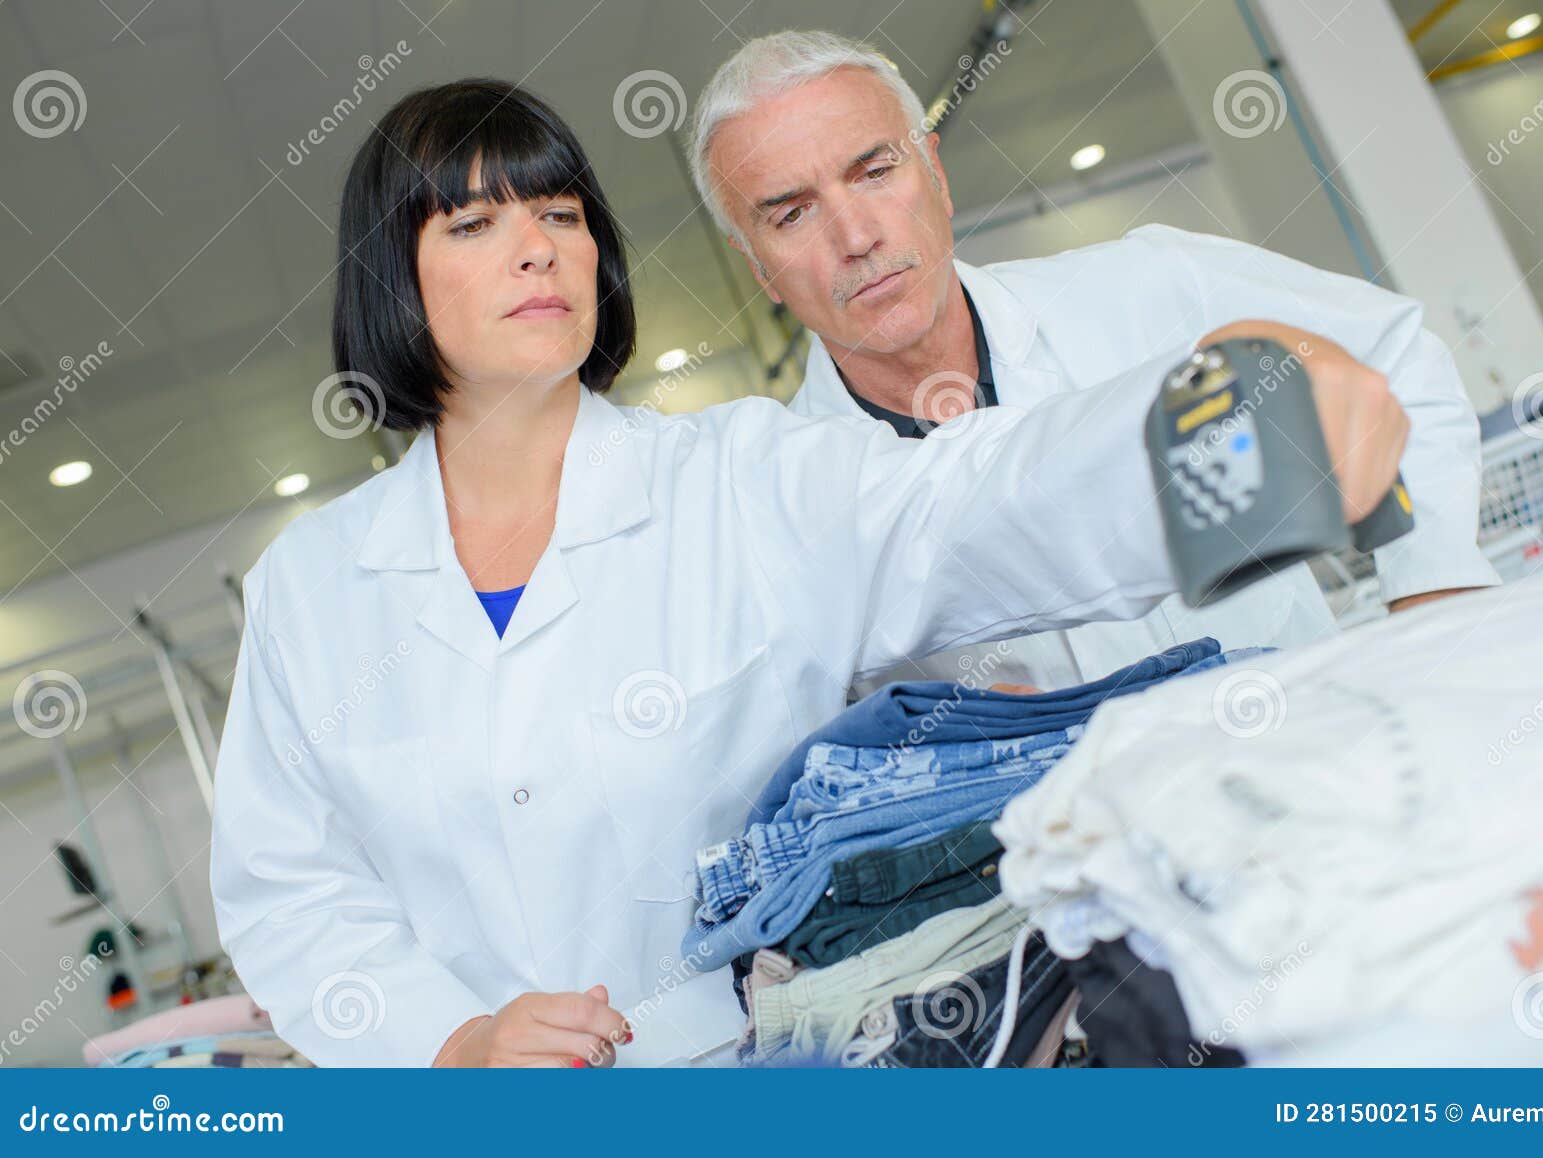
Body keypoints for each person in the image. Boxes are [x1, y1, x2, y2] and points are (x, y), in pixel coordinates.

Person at [209, 78, 1410, 1068]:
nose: (536, 247)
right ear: (392, 279)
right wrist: (450, 1045)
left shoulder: (741, 477)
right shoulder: (314, 586)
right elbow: (291, 888)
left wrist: (1211, 437)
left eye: (562, 214)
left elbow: (963, 508)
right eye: (473, 225)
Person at [688, 30, 1499, 693]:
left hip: (1317, 752)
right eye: (792, 214)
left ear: (933, 172)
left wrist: (1434, 600)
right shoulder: (788, 501)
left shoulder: (1147, 287)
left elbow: (1387, 348)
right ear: (757, 264)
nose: (856, 237)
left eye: (875, 171)